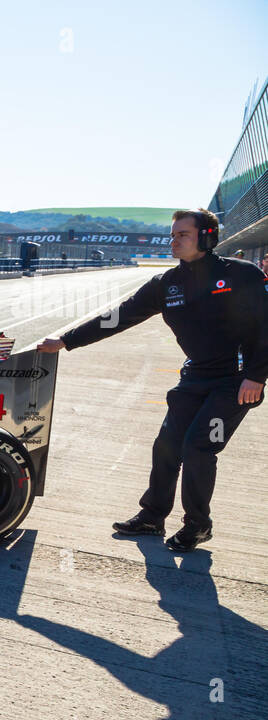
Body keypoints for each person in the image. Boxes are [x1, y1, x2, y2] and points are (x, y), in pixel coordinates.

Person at [37, 208, 266, 551]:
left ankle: (198, 525)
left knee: (199, 447)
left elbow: (265, 327)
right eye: (172, 235)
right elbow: (119, 316)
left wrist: (257, 376)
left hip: (234, 383)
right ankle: (152, 516)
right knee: (167, 444)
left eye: (182, 235)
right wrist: (66, 341)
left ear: (206, 237)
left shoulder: (241, 274)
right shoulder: (167, 283)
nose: (174, 241)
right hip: (195, 377)